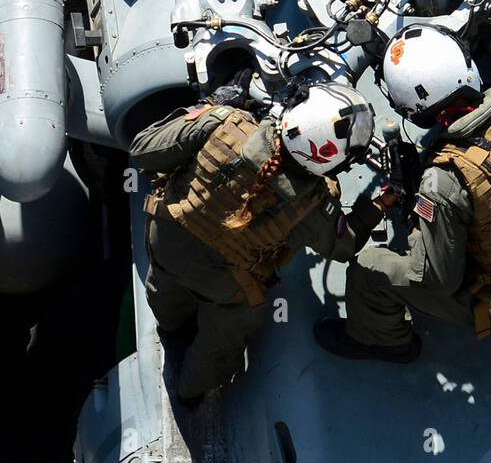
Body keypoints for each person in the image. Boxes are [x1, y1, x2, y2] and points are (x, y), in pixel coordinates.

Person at [314, 26, 491, 381]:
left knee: (369, 267)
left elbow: (437, 281)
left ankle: (385, 342)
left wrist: (412, 202)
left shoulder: (445, 179)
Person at [131, 76, 393, 404]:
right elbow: (344, 245)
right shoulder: (315, 205)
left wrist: (209, 107)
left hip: (167, 239)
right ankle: (189, 392)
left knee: (165, 289)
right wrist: (381, 203)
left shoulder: (223, 123)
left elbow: (143, 151)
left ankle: (171, 327)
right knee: (219, 346)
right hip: (224, 284)